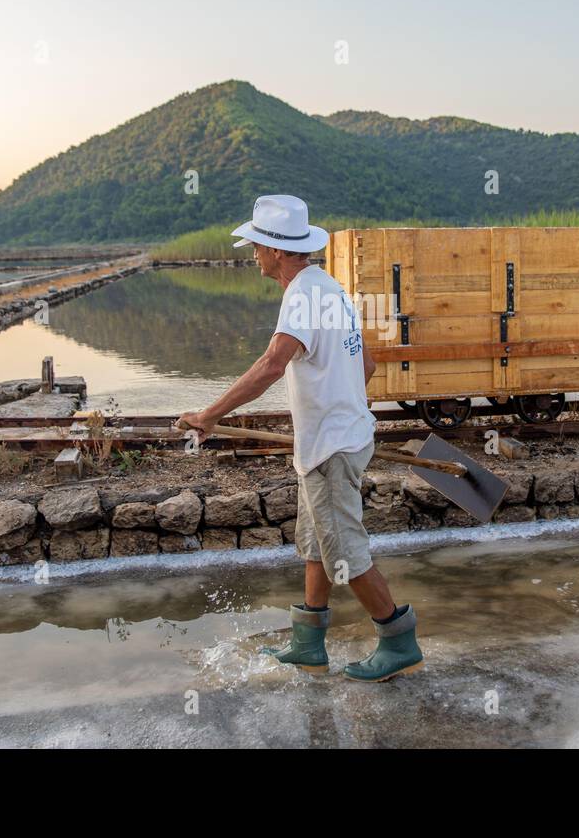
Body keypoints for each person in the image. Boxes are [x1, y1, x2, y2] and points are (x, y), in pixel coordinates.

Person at [176, 194, 424, 682]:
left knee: (345, 553)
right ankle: (309, 644)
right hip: (335, 440)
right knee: (316, 543)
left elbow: (272, 363)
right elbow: (367, 365)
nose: (252, 255)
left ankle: (398, 642)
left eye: (256, 246)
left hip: (332, 447)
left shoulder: (302, 296)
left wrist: (209, 414)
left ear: (274, 250)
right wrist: (341, 404)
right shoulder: (328, 288)